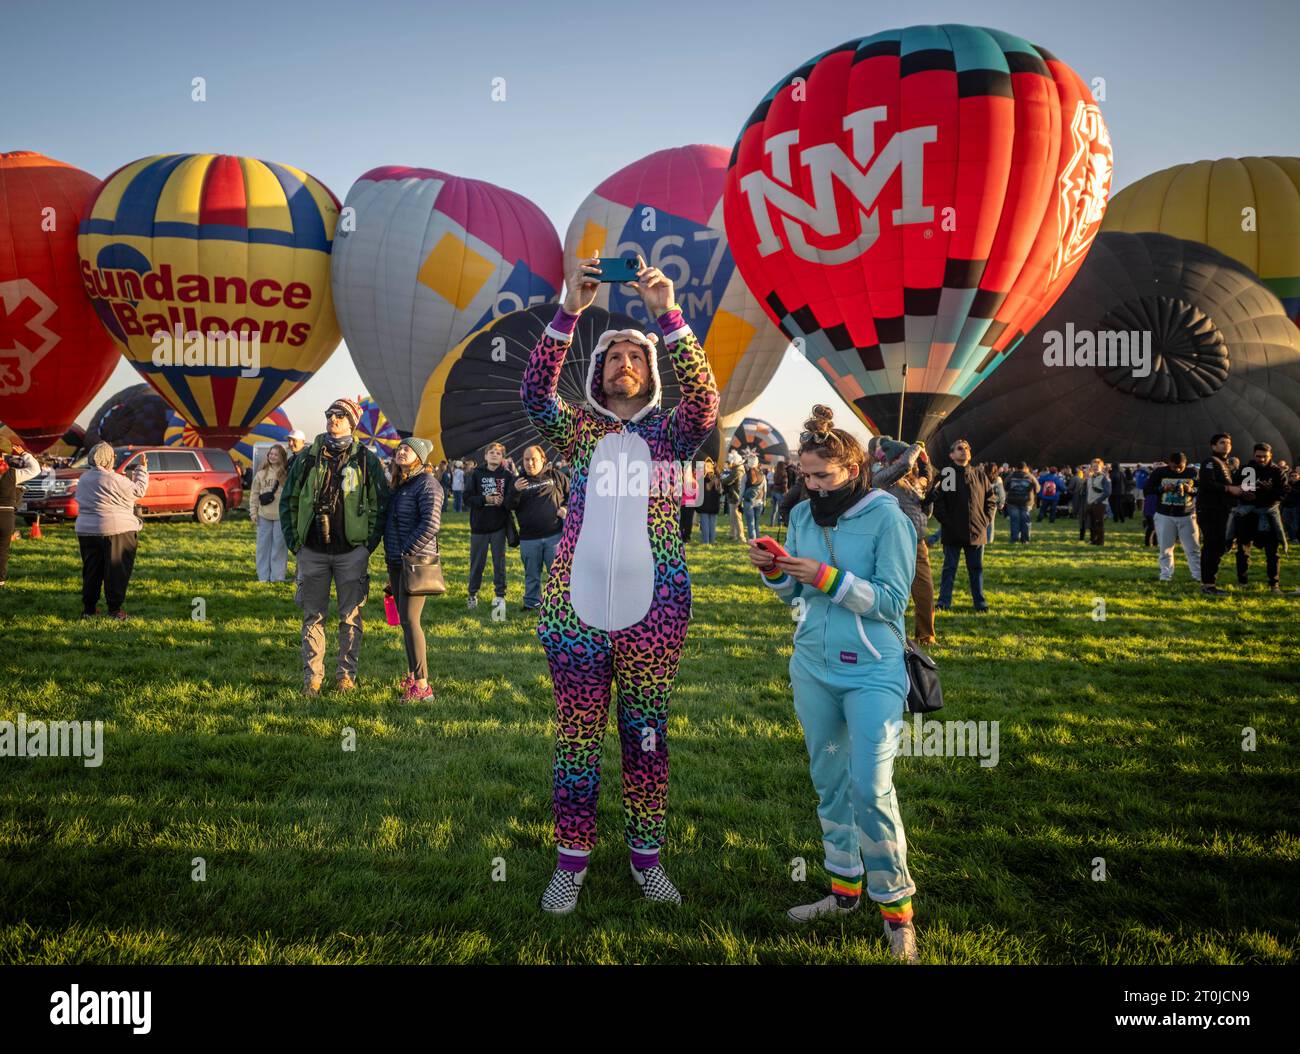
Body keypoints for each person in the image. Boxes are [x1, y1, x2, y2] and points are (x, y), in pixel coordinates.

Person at [521, 253, 718, 914]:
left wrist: (665, 310)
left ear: (651, 370)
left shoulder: (671, 435)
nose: (626, 361)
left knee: (647, 738)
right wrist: (570, 310)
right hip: (571, 613)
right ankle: (570, 864)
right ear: (598, 376)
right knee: (576, 740)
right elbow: (531, 395)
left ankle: (646, 861)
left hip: (655, 614)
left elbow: (706, 398)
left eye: (637, 355)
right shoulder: (575, 432)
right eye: (613, 357)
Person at [750, 405, 919, 962]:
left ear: (853, 467)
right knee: (830, 785)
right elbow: (796, 599)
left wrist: (826, 576)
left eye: (823, 476)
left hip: (873, 671)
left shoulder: (888, 517)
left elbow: (894, 601)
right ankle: (843, 891)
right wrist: (776, 572)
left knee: (871, 788)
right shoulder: (801, 515)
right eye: (806, 476)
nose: (813, 486)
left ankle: (897, 914)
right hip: (814, 668)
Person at [280, 398, 389, 696]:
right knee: (313, 616)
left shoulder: (366, 459)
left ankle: (346, 676)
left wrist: (367, 546)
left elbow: (380, 506)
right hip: (312, 552)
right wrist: (295, 543)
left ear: (352, 422)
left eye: (340, 415)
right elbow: (288, 500)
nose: (333, 419)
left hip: (351, 553)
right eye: (329, 414)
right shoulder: (307, 457)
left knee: (350, 617)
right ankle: (312, 679)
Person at [383, 438, 443, 701]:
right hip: (397, 561)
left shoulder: (428, 484)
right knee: (404, 623)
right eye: (399, 448)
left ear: (419, 456)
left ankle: (422, 686)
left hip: (415, 563)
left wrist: (407, 551)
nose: (401, 451)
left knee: (410, 621)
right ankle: (412, 675)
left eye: (407, 449)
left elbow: (431, 524)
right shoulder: (401, 485)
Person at [867, 435, 935, 645]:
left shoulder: (912, 481)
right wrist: (915, 448)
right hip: (890, 540)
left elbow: (926, 479)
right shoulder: (881, 478)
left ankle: (925, 635)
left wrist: (925, 462)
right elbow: (906, 464)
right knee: (890, 590)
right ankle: (882, 632)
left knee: (925, 588)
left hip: (916, 539)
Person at [73, 443, 148, 619]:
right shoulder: (115, 479)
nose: (115, 459)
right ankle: (115, 610)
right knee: (116, 571)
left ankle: (89, 609)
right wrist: (142, 470)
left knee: (91, 570)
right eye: (113, 456)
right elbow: (139, 491)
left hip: (86, 530)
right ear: (108, 459)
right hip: (116, 529)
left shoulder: (83, 479)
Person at [928, 439, 996, 613]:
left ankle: (980, 603)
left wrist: (985, 520)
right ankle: (944, 602)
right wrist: (947, 522)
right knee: (949, 568)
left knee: (976, 568)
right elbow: (938, 500)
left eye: (967, 448)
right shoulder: (948, 473)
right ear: (951, 454)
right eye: (960, 448)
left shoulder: (980, 474)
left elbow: (991, 499)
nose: (964, 450)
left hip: (976, 531)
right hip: (953, 531)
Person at [510, 444, 568, 610]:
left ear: (543, 459)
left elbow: (573, 495)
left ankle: (558, 605)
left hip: (554, 537)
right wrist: (515, 491)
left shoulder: (555, 476)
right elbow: (509, 506)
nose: (530, 463)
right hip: (529, 539)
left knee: (557, 574)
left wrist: (565, 508)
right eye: (526, 460)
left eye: (533, 459)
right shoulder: (518, 481)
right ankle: (531, 604)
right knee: (532, 575)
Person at [1231, 443, 1289, 593]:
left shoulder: (1277, 472)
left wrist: (1269, 491)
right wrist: (1243, 493)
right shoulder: (1245, 469)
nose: (1261, 459)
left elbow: (1283, 494)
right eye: (1258, 456)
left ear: (1271, 455)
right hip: (1247, 514)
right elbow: (1234, 487)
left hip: (1268, 514)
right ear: (1253, 455)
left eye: (1265, 456)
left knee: (1272, 552)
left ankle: (1274, 584)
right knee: (1243, 550)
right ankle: (1242, 582)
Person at [465, 442, 515, 610]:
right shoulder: (476, 474)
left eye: (498, 453)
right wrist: (485, 499)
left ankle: (500, 596)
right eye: (491, 452)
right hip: (479, 527)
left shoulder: (507, 476)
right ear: (485, 456)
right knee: (477, 563)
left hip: (499, 527)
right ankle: (472, 594)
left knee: (499, 563)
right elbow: (467, 498)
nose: (494, 455)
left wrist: (503, 501)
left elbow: (512, 501)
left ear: (502, 458)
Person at [1196, 433, 1241, 597]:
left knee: (1218, 546)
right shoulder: (1210, 462)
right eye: (1222, 443)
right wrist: (1229, 489)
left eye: (1228, 443)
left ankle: (1210, 583)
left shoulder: (1225, 464)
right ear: (1213, 446)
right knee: (1212, 546)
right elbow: (1207, 483)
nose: (1226, 445)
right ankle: (1208, 585)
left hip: (1222, 510)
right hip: (1210, 510)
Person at [1145, 453, 1201, 582]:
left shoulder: (1192, 472)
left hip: (1187, 514)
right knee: (1165, 548)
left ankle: (1198, 576)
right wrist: (1162, 489)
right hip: (1165, 514)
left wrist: (1190, 490)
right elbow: (1147, 490)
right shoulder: (1160, 472)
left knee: (1193, 548)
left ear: (1186, 463)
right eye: (1174, 467)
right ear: (1169, 463)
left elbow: (1202, 490)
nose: (1177, 469)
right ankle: (1165, 576)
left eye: (1180, 467)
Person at [0, 442, 41, 588]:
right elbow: (35, 469)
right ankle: (0, 580)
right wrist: (24, 454)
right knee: (3, 549)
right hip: (6, 514)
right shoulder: (12, 474)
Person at [248, 444, 290, 582]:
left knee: (279, 547)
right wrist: (253, 512)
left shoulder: (286, 475)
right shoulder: (261, 474)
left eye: (275, 454)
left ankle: (277, 577)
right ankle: (263, 577)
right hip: (263, 515)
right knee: (263, 547)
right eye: (270, 454)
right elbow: (254, 494)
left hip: (280, 516)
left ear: (282, 457)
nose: (272, 456)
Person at [1004, 462, 1039, 543]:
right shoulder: (1030, 476)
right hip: (1026, 502)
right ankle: (1025, 539)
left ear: (1016, 468)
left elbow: (1005, 487)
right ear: (1025, 468)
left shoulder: (1011, 476)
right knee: (1025, 521)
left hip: (1013, 501)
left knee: (1014, 520)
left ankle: (1014, 538)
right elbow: (1037, 488)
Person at [1083, 459, 1111, 545]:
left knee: (1099, 523)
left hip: (1100, 504)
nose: (1095, 468)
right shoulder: (1090, 478)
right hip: (1090, 503)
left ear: (1101, 467)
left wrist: (1097, 501)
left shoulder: (1104, 478)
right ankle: (1093, 540)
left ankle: (1100, 541)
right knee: (1091, 524)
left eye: (1097, 466)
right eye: (1093, 466)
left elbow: (1107, 492)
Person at [721, 450, 746, 542]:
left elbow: (728, 480)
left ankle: (741, 536)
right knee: (732, 517)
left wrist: (722, 479)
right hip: (734, 495)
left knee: (737, 518)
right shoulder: (736, 469)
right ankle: (733, 534)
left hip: (736, 496)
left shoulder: (738, 470)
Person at [742, 455, 767, 541]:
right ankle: (758, 540)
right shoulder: (762, 476)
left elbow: (741, 491)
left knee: (750, 523)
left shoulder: (745, 476)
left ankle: (753, 541)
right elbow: (765, 490)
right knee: (756, 523)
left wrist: (739, 502)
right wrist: (764, 502)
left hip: (748, 502)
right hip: (759, 501)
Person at [696, 458, 721, 542]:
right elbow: (719, 490)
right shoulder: (716, 477)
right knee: (711, 524)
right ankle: (711, 540)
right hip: (712, 504)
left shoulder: (701, 477)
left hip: (705, 504)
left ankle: (706, 541)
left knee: (705, 524)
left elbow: (707, 488)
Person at [985, 464, 1006, 543]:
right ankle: (989, 538)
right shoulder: (998, 479)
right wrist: (1001, 503)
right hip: (993, 502)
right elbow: (1000, 493)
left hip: (982, 501)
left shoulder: (982, 477)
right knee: (991, 521)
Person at [769, 460, 789, 526]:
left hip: (774, 491)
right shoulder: (784, 474)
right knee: (780, 509)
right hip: (780, 492)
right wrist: (786, 492)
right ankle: (779, 524)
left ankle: (772, 523)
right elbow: (785, 484)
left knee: (774, 509)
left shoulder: (775, 473)